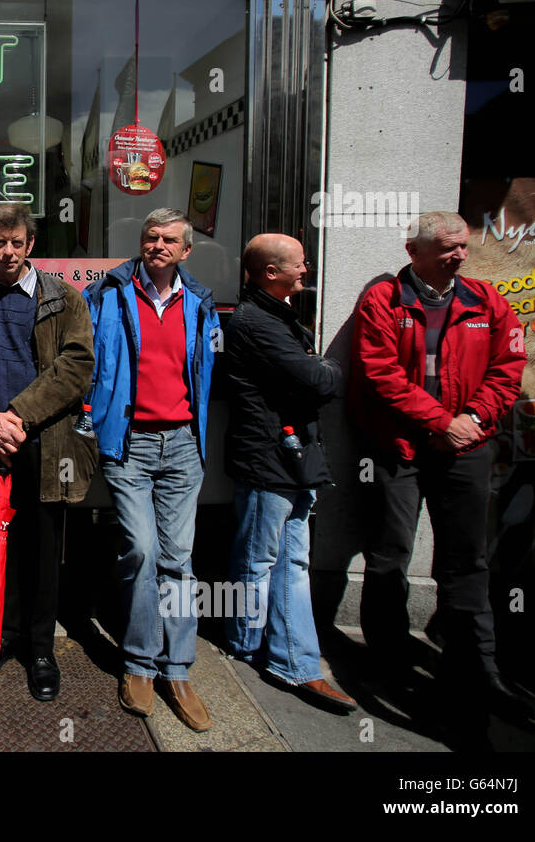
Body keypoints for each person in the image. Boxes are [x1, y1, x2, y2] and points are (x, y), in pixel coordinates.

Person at [351, 211, 528, 721]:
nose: (460, 255)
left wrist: (472, 418)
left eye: (463, 246)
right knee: (389, 555)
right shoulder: (383, 299)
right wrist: (439, 421)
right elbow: (379, 372)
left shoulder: (485, 301)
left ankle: (477, 665)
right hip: (399, 447)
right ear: (415, 251)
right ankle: (387, 659)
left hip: (466, 448)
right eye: (448, 247)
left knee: (467, 559)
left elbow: (508, 366)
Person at [0, 202, 96, 702]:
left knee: (43, 550)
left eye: (17, 242)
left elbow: (76, 368)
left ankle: (39, 649)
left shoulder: (65, 300)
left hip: (47, 445)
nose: (7, 251)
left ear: (30, 246)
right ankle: (2, 635)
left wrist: (17, 417)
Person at [84, 208, 219, 731]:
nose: (157, 245)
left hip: (184, 444)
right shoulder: (109, 293)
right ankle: (139, 662)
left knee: (179, 558)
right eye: (150, 237)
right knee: (141, 550)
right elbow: (88, 361)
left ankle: (178, 669)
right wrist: (88, 418)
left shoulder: (201, 303)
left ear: (186, 251)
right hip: (129, 443)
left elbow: (207, 369)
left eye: (169, 240)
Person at [223, 233, 355, 711]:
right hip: (271, 461)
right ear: (271, 272)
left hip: (290, 460)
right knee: (261, 559)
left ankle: (288, 659)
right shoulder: (257, 322)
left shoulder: (274, 317)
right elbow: (318, 380)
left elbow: (307, 378)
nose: (307, 269)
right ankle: (248, 648)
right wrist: (328, 370)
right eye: (299, 264)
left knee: (289, 563)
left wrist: (313, 371)